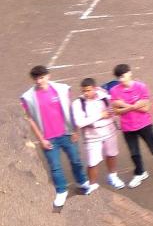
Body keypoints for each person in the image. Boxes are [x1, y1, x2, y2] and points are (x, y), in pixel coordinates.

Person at [21, 66, 90, 206]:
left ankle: (82, 182)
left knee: (76, 161)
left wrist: (76, 131)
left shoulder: (62, 89)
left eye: (41, 77)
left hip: (67, 133)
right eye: (36, 78)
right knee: (55, 167)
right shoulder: (28, 97)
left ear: (48, 76)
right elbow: (31, 119)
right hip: (48, 139)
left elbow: (71, 110)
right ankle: (61, 191)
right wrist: (41, 139)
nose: (39, 81)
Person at [108, 63, 153, 186]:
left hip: (144, 124)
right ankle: (140, 173)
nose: (121, 79)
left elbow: (145, 108)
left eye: (123, 76)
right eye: (119, 77)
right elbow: (116, 111)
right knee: (134, 153)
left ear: (129, 73)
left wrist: (125, 105)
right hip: (127, 127)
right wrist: (134, 106)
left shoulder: (141, 87)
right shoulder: (114, 90)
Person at [71, 78, 124, 190]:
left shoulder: (105, 97)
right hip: (92, 138)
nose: (86, 93)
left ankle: (113, 177)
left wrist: (109, 115)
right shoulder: (78, 103)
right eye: (84, 91)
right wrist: (100, 115)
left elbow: (113, 112)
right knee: (92, 162)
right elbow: (80, 122)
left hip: (110, 132)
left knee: (111, 154)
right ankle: (92, 185)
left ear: (94, 88)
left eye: (88, 90)